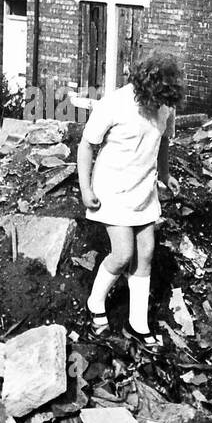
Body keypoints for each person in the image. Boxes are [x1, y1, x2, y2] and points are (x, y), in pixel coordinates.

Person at [77, 51, 183, 351]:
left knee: (146, 251)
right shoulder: (115, 103)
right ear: (144, 86)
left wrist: (164, 174)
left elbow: (162, 143)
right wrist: (86, 189)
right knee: (123, 254)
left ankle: (138, 323)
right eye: (156, 96)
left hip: (142, 190)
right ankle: (95, 303)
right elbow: (86, 146)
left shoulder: (165, 108)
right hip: (112, 189)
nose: (160, 104)